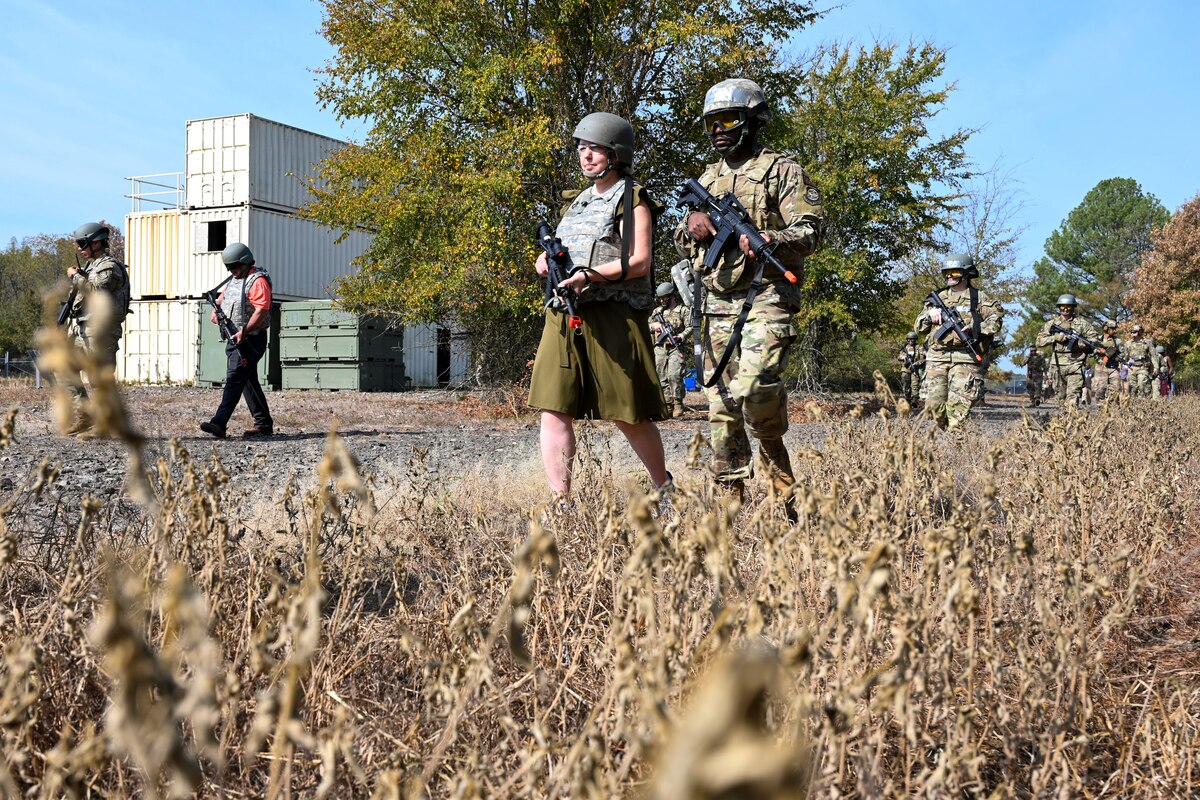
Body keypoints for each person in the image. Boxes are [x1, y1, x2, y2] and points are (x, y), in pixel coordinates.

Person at [673, 78, 825, 507]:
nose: (717, 130)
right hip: (717, 301)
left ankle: (783, 492)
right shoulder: (708, 178)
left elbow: (812, 231)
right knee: (722, 405)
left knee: (756, 389)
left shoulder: (782, 171)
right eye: (711, 123)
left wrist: (771, 239)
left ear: (752, 121)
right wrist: (691, 225)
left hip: (768, 295)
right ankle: (729, 507)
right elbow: (680, 239)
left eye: (727, 120)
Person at [528, 112, 670, 499]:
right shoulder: (578, 202)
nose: (586, 156)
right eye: (581, 148)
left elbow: (638, 261)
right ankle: (561, 504)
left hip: (613, 314)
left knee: (628, 413)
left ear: (617, 154)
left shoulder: (632, 197)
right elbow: (566, 249)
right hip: (564, 313)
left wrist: (588, 276)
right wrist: (545, 261)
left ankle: (664, 490)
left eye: (596, 149)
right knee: (553, 408)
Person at [914, 253, 1003, 430]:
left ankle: (956, 441)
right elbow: (919, 328)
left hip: (966, 358)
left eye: (954, 272)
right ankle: (947, 434)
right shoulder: (936, 299)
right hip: (937, 357)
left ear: (966, 273)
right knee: (934, 408)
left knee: (957, 411)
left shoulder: (980, 298)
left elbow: (996, 322)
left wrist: (974, 327)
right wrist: (929, 315)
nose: (949, 276)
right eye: (946, 273)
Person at [200, 243, 274, 438]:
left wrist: (245, 331)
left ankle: (219, 422)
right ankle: (263, 424)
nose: (231, 271)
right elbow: (220, 302)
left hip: (251, 340)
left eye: (234, 266)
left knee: (234, 378)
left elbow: (262, 310)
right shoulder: (233, 281)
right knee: (247, 379)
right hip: (235, 338)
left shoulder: (258, 281)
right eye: (229, 267)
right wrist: (216, 314)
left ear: (245, 262)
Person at [63, 222, 131, 434]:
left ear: (97, 242)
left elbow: (96, 291)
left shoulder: (109, 267)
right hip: (83, 328)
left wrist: (75, 276)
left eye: (83, 243)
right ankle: (86, 416)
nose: (80, 248)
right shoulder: (91, 268)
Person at [1036, 294, 1101, 411]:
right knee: (1061, 398)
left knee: (1073, 398)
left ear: (1073, 308)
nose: (1065, 309)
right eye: (1062, 307)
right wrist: (1055, 337)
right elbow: (1039, 342)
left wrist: (1082, 344)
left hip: (1075, 364)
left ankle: (1072, 417)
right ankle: (1064, 418)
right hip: (1057, 365)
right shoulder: (1051, 324)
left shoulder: (1082, 323)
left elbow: (1094, 339)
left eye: (1068, 307)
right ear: (1059, 307)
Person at [649, 282, 690, 419]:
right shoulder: (657, 312)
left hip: (675, 347)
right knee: (661, 376)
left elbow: (690, 327)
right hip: (660, 348)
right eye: (660, 298)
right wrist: (654, 325)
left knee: (674, 375)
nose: (662, 301)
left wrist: (681, 336)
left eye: (664, 298)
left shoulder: (683, 310)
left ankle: (678, 403)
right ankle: (667, 404)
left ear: (672, 296)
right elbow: (647, 324)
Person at [1121, 324, 1159, 399]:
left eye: (1134, 332)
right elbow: (1125, 357)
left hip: (1143, 368)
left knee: (1142, 386)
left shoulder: (1147, 343)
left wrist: (1156, 368)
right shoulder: (1128, 343)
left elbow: (1153, 356)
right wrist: (1123, 369)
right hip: (1131, 368)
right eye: (1131, 332)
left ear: (1140, 332)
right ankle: (1133, 404)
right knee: (1132, 389)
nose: (1132, 334)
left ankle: (1142, 403)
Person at [1092, 318, 1123, 402]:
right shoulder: (1097, 339)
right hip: (1101, 367)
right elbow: (1091, 352)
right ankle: (1101, 407)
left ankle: (1113, 407)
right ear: (1106, 328)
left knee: (1116, 389)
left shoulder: (1117, 341)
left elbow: (1123, 353)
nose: (1115, 331)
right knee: (1100, 389)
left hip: (1113, 368)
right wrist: (1098, 350)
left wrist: (1114, 356)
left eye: (1115, 329)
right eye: (1113, 329)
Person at [897, 331, 925, 406]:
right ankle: (907, 401)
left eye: (912, 339)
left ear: (915, 339)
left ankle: (914, 401)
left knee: (915, 386)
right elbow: (899, 357)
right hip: (905, 370)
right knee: (905, 385)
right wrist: (903, 357)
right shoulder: (904, 348)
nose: (910, 341)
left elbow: (924, 359)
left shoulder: (919, 348)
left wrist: (917, 363)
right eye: (909, 339)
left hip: (915, 369)